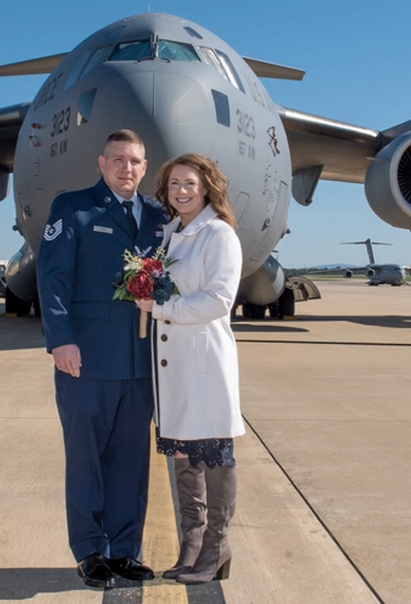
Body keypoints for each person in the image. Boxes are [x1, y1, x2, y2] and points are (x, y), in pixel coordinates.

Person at [37, 129, 170, 589]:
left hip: (140, 361)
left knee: (131, 461)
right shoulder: (73, 208)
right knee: (86, 459)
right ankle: (90, 551)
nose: (126, 168)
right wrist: (60, 341)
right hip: (86, 360)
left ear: (145, 167)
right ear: (101, 163)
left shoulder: (159, 216)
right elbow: (53, 279)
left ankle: (125, 550)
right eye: (117, 160)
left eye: (134, 161)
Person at [135, 153, 244, 584]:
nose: (181, 191)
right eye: (174, 184)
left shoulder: (218, 234)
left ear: (206, 188)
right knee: (184, 455)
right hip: (173, 364)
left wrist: (162, 307)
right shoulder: (170, 234)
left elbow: (219, 300)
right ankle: (193, 546)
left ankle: (217, 546)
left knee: (213, 455)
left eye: (190, 183)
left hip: (203, 362)